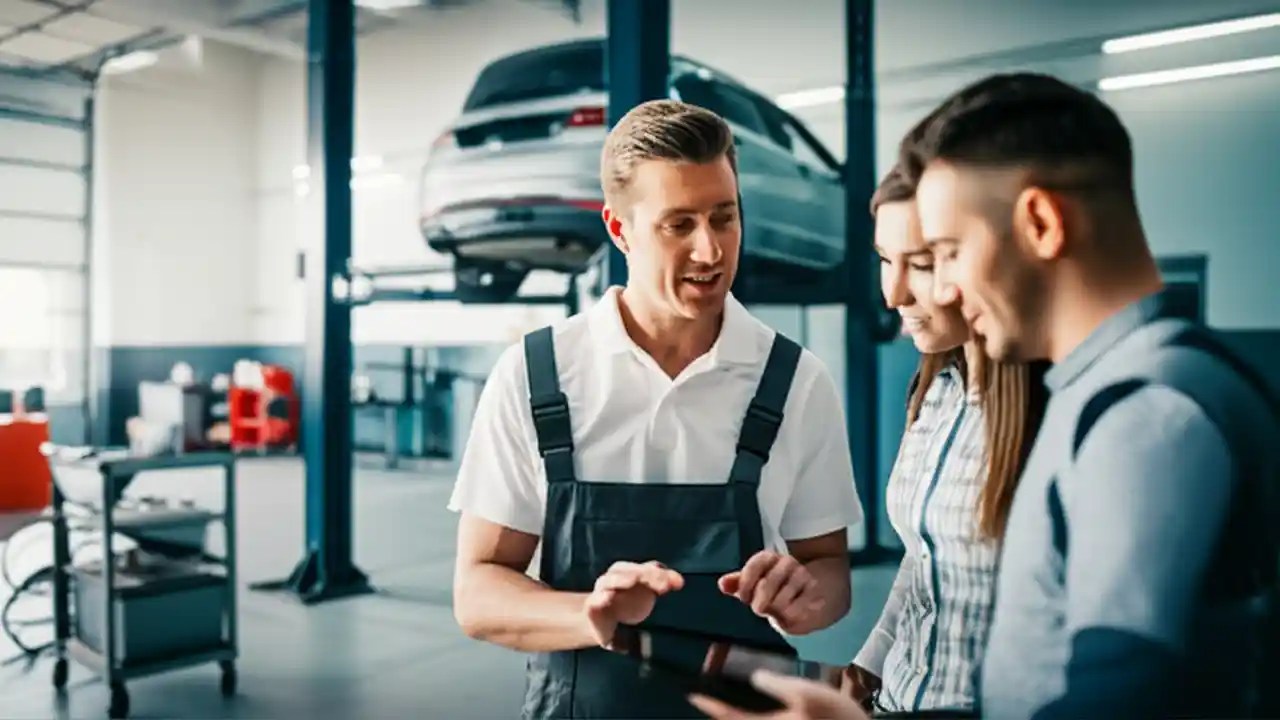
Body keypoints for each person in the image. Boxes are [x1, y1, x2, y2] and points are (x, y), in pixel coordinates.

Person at [698, 72, 1280, 720]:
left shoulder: (1147, 416)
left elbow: (1110, 701)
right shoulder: (1111, 393)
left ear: (1039, 222)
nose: (940, 288)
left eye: (944, 252)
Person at [448, 99, 863, 719]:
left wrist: (805, 599)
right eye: (679, 225)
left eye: (725, 218)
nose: (710, 250)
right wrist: (590, 614)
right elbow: (478, 595)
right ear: (619, 230)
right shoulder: (537, 377)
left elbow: (829, 571)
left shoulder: (796, 381)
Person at [840, 164, 1048, 717]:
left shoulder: (1053, 412)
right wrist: (871, 662)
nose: (893, 293)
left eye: (923, 264)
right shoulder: (936, 389)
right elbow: (922, 555)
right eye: (885, 261)